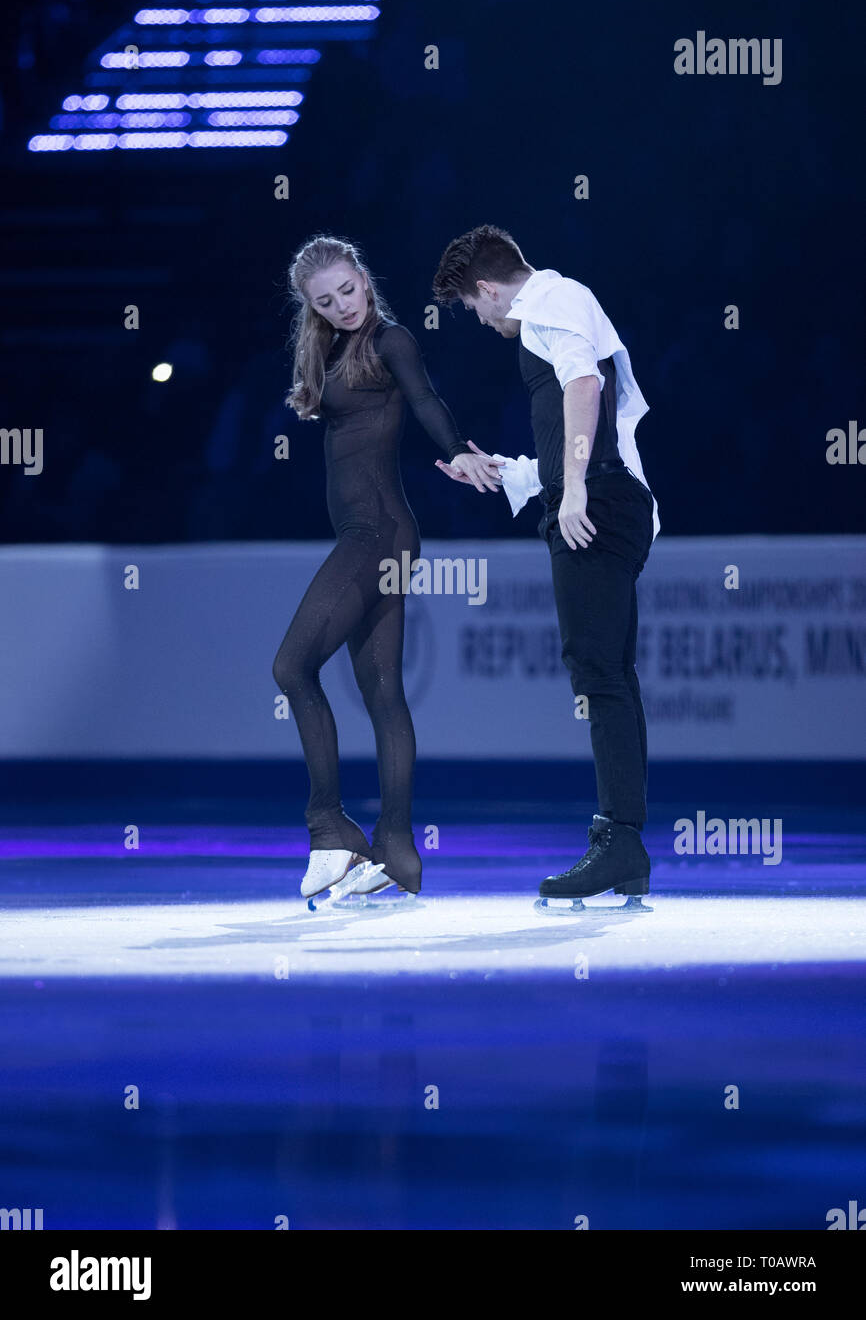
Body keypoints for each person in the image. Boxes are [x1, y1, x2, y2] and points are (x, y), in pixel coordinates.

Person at [432, 225, 659, 908]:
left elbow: (585, 386)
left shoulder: (548, 306)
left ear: (489, 289)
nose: (482, 319)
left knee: (598, 673)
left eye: (474, 308)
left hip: (596, 504)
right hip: (609, 499)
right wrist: (512, 474)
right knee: (611, 673)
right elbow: (580, 418)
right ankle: (626, 845)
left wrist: (577, 486)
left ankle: (620, 839)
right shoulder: (565, 304)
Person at [272, 235, 499, 903]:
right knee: (382, 696)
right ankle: (396, 854)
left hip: (379, 535)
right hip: (377, 535)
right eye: (326, 300)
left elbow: (426, 401)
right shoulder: (333, 351)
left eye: (348, 289)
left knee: (290, 667)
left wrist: (458, 452)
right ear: (310, 308)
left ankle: (328, 830)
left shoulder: (390, 339)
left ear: (364, 279)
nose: (343, 305)